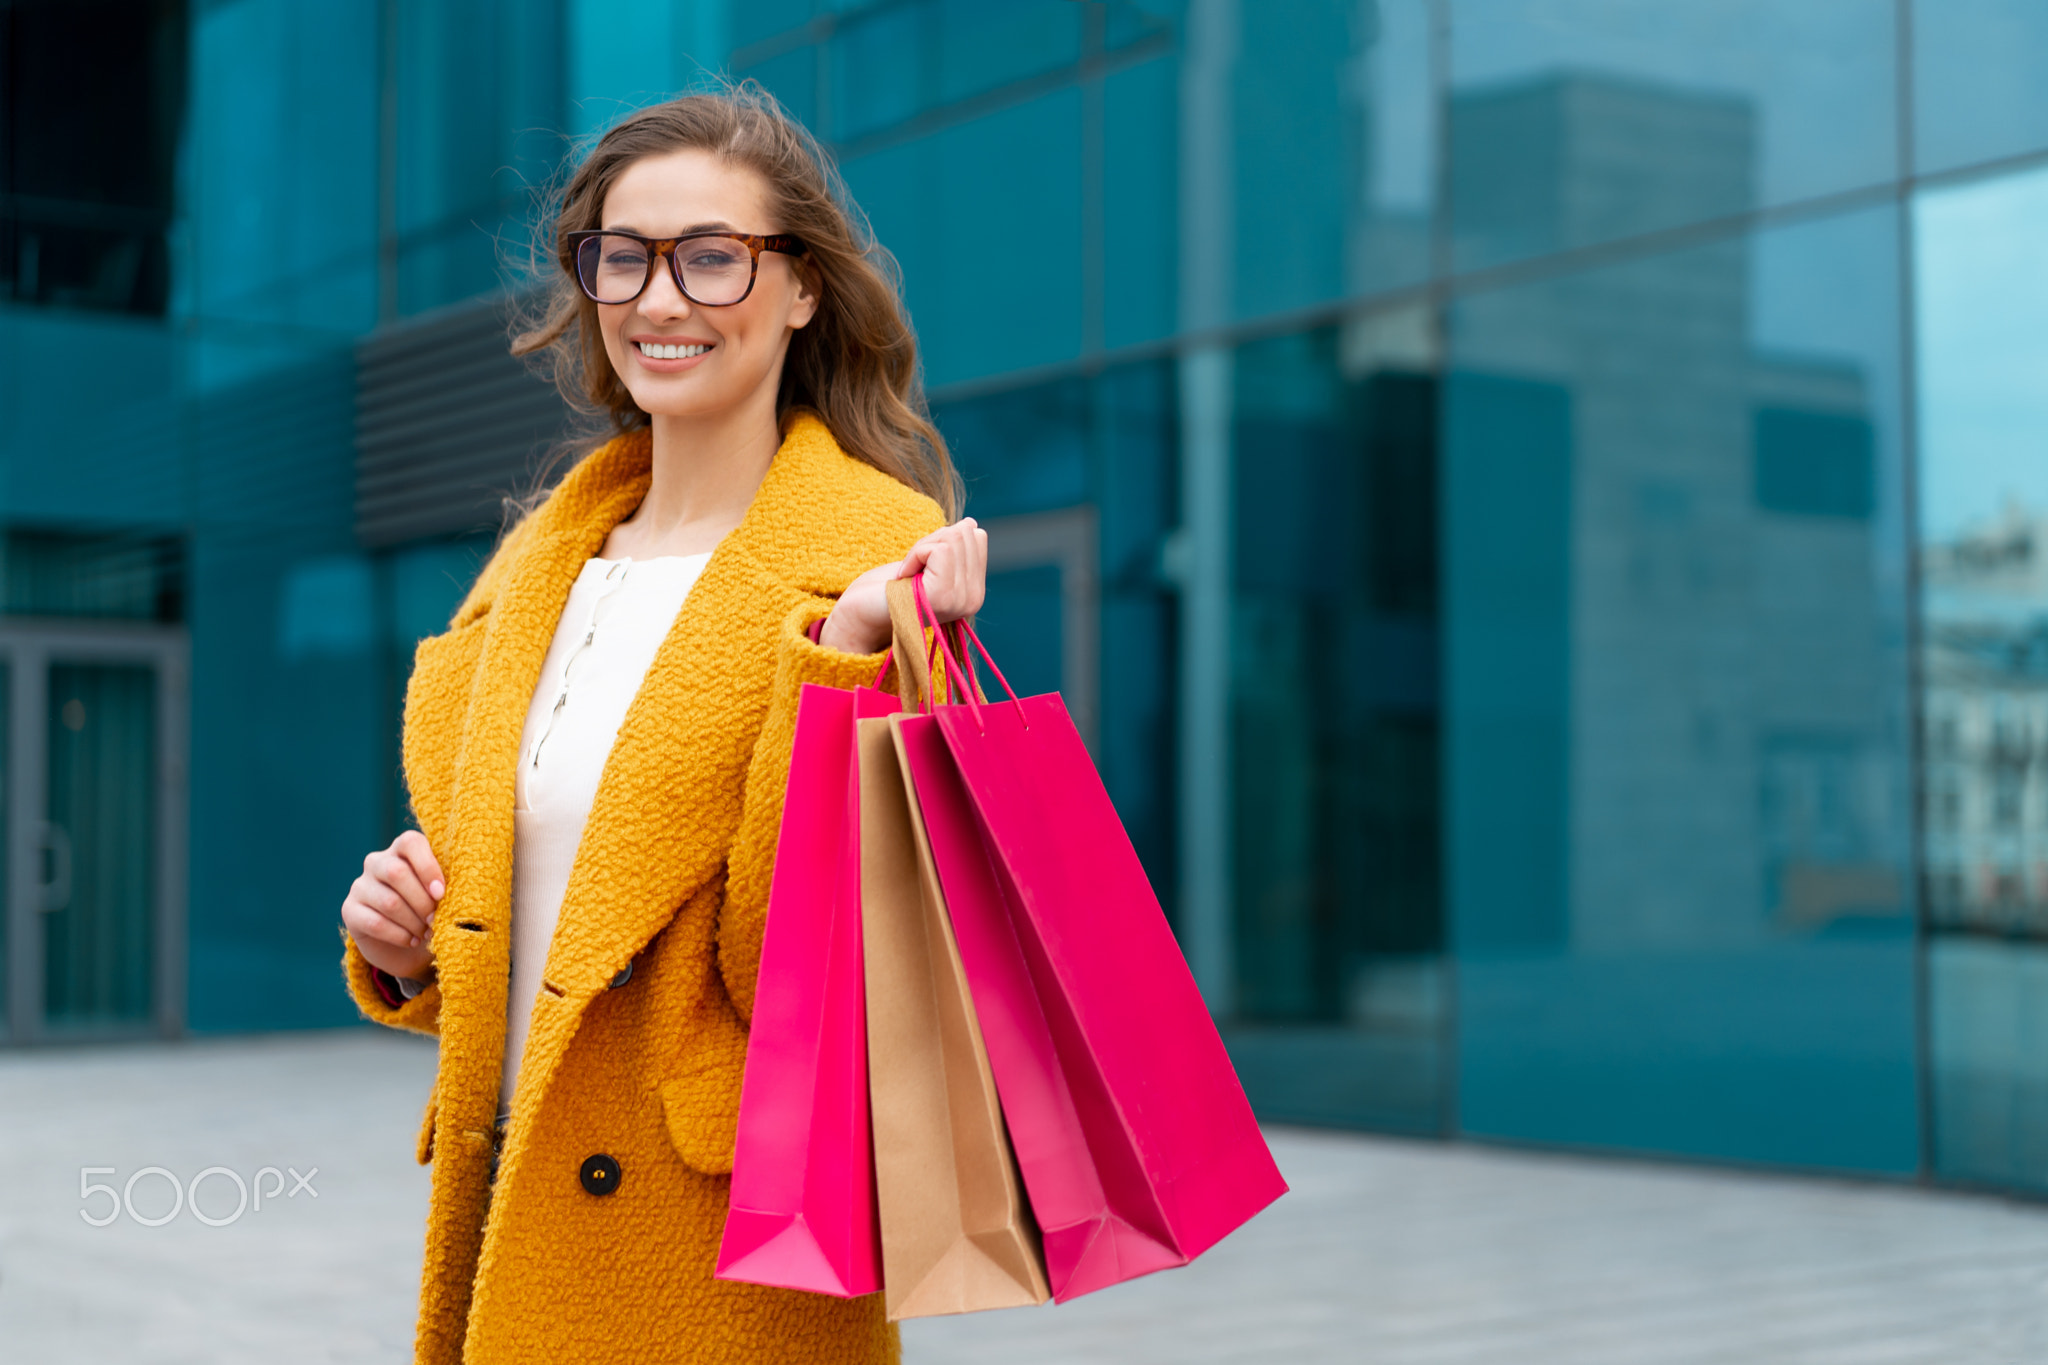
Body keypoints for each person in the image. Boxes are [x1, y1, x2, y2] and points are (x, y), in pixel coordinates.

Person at [338, 85, 987, 1365]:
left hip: (717, 1252)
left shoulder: (875, 561)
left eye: (711, 257)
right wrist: (411, 948)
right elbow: (546, 935)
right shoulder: (538, 564)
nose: (658, 299)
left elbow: (793, 972)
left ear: (803, 288)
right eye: (621, 257)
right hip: (515, 1209)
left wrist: (845, 661)